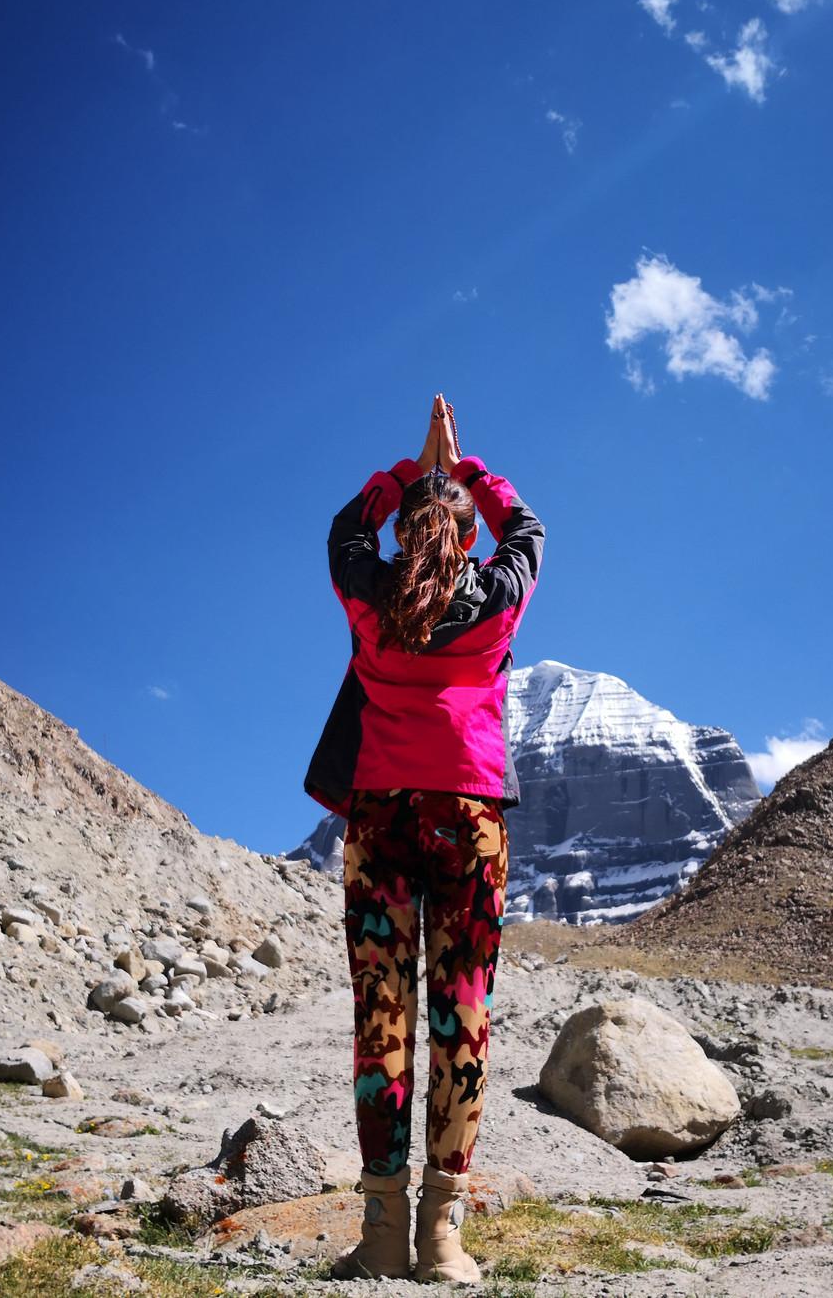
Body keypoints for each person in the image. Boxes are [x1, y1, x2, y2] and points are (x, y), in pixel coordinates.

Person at [303, 392, 545, 1283]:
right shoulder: (497, 597)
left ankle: (378, 1234)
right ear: (468, 539)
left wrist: (410, 470)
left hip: (377, 818)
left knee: (383, 1019)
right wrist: (467, 468)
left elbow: (343, 529)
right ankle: (441, 1238)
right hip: (469, 819)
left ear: (404, 536)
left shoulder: (368, 590)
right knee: (461, 1016)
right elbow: (529, 528)